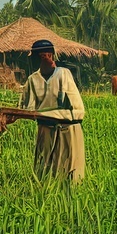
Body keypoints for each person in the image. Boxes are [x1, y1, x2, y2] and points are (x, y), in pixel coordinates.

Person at [14, 39, 86, 182]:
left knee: (70, 173)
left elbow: (77, 110)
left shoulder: (63, 74)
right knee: (44, 172)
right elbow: (27, 108)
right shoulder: (32, 80)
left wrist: (53, 114)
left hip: (67, 130)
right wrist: (12, 115)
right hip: (45, 129)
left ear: (49, 56)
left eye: (48, 55)